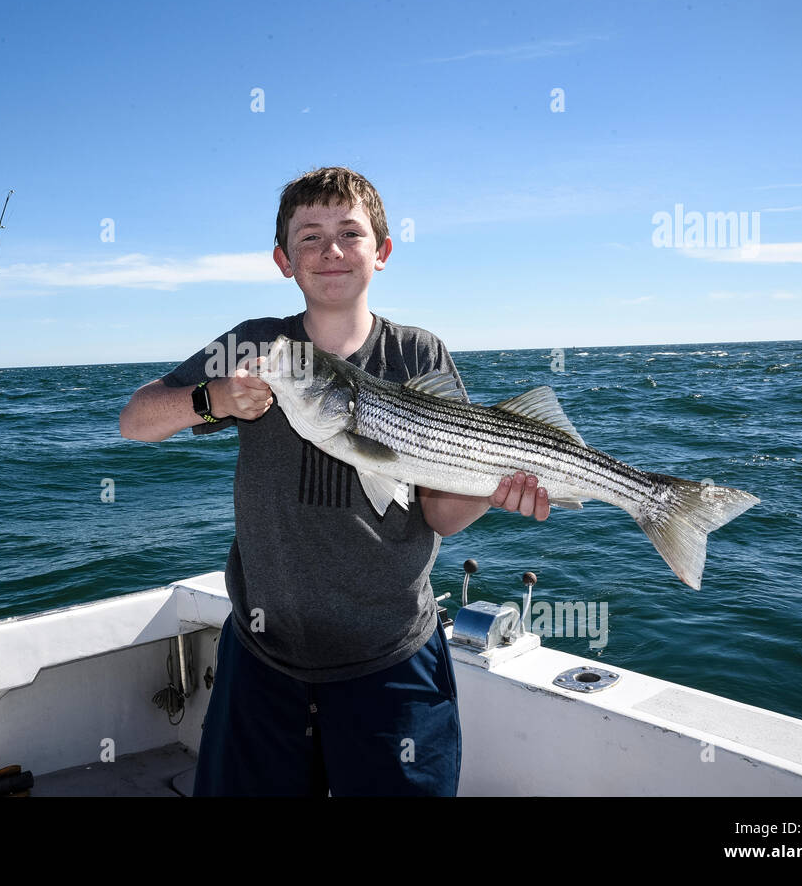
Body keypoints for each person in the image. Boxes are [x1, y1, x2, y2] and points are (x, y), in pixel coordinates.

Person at [118, 167, 550, 796]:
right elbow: (136, 420)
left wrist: (490, 489)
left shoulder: (418, 354)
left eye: (350, 233)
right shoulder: (254, 343)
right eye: (309, 238)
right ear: (283, 260)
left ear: (383, 251)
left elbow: (438, 514)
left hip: (393, 657)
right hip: (263, 658)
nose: (331, 251)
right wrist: (214, 399)